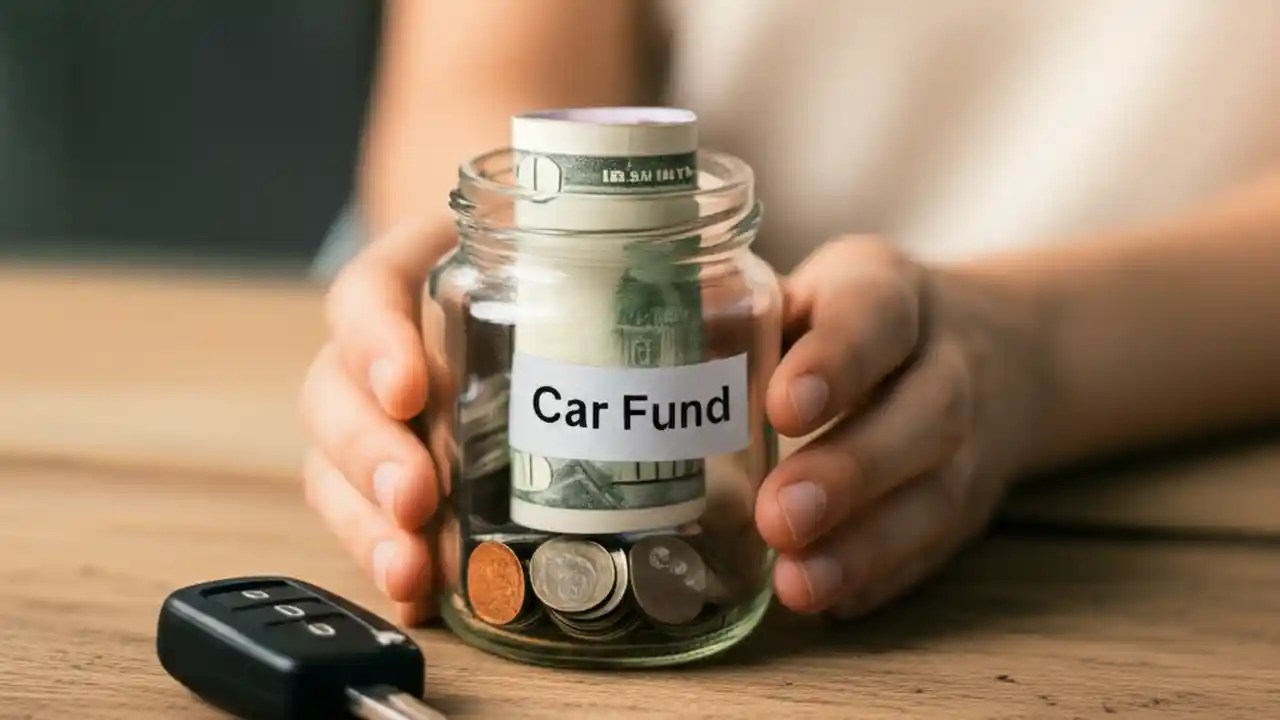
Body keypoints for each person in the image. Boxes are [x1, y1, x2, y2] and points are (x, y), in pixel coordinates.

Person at [298, 1, 1280, 624]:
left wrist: (1028, 351)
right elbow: (491, 66)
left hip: (1182, 440)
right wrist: (500, 284)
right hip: (673, 325)